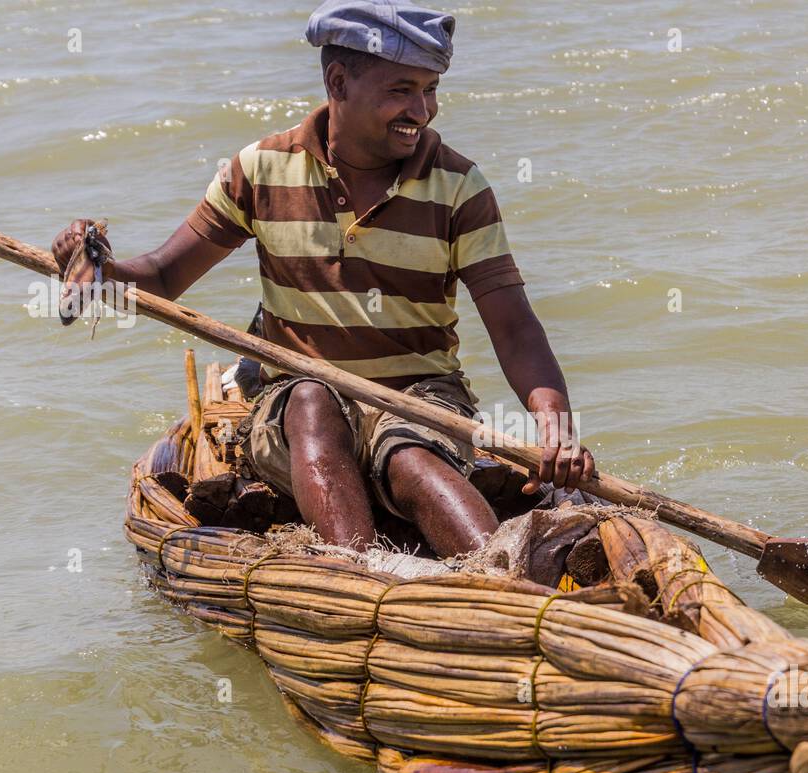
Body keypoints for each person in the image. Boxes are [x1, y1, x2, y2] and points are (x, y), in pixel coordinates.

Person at [52, 0, 594, 556]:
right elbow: (163, 276)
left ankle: (500, 578)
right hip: (293, 399)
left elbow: (514, 328)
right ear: (338, 81)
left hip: (422, 397)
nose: (423, 109)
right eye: (401, 90)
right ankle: (360, 578)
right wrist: (98, 266)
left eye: (430, 89)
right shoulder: (259, 170)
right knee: (313, 400)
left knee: (410, 458)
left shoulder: (458, 187)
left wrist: (554, 423)